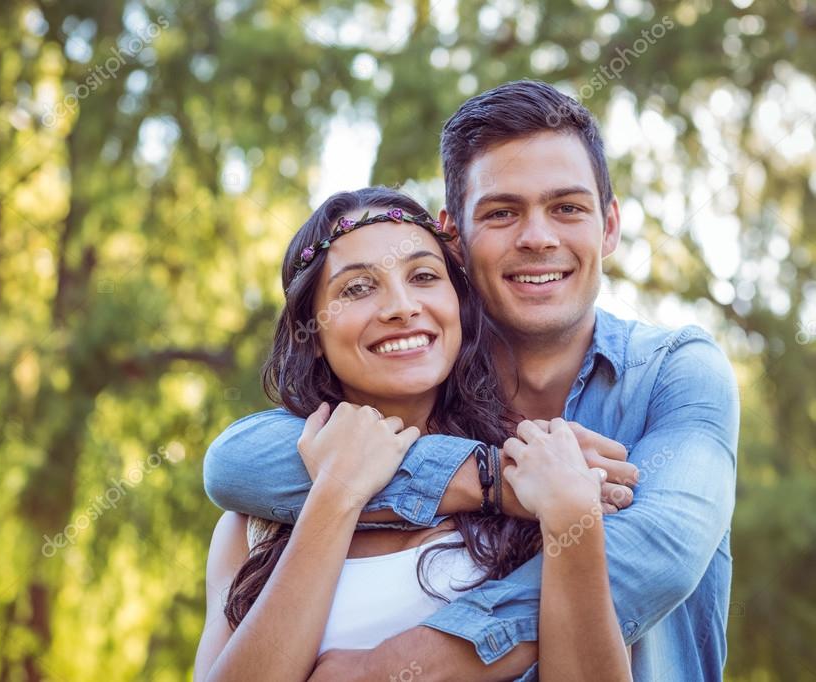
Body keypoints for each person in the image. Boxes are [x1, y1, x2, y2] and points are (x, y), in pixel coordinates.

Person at [203, 80, 739, 681]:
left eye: (567, 207)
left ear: (609, 225)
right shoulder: (419, 396)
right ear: (455, 235)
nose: (538, 237)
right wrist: (489, 477)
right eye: (502, 212)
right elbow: (233, 463)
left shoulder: (674, 373)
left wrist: (403, 667)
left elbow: (655, 556)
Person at [193, 187, 634, 682]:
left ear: (459, 307)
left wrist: (571, 513)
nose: (401, 307)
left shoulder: (529, 481)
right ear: (312, 333)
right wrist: (336, 495)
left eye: (423, 276)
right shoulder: (253, 526)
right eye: (357, 288)